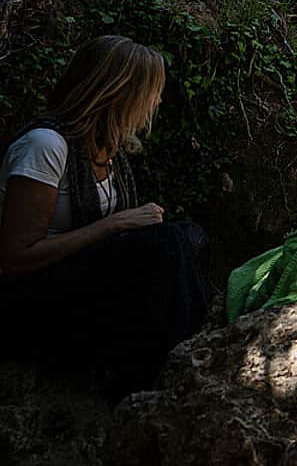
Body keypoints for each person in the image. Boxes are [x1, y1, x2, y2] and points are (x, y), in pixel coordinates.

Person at [0, 35, 211, 399]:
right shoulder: (45, 146)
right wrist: (115, 224)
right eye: (151, 91)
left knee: (189, 235)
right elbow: (14, 258)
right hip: (25, 304)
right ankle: (161, 380)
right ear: (119, 92)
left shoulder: (106, 150)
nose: (156, 102)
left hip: (77, 292)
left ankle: (186, 356)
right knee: (167, 244)